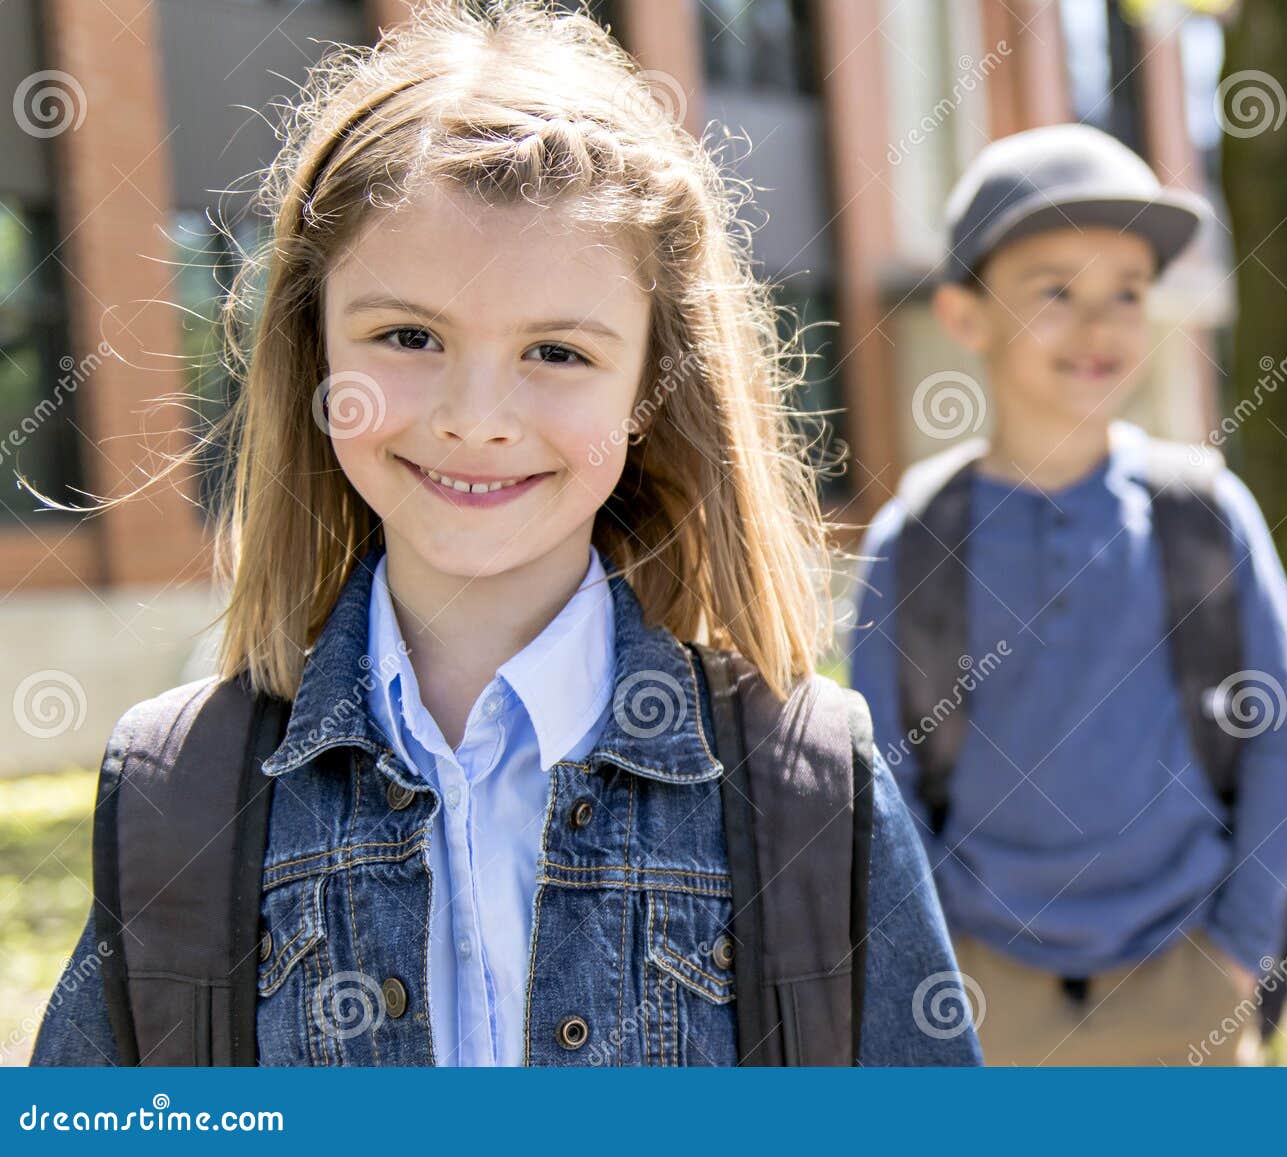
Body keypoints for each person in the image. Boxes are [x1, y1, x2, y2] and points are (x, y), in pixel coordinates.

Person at [30, 0, 976, 1068]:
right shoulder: (180, 790)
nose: (475, 418)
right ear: (314, 351)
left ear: (651, 387)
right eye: (408, 335)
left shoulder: (809, 786)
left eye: (557, 353)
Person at [850, 123, 1287, 1066]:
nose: (1098, 326)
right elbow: (876, 778)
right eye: (1055, 291)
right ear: (964, 315)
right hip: (982, 995)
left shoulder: (1202, 512)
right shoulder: (917, 540)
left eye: (1128, 292)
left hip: (1187, 977)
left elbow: (1285, 731)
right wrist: (938, 954)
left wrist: (1239, 948)